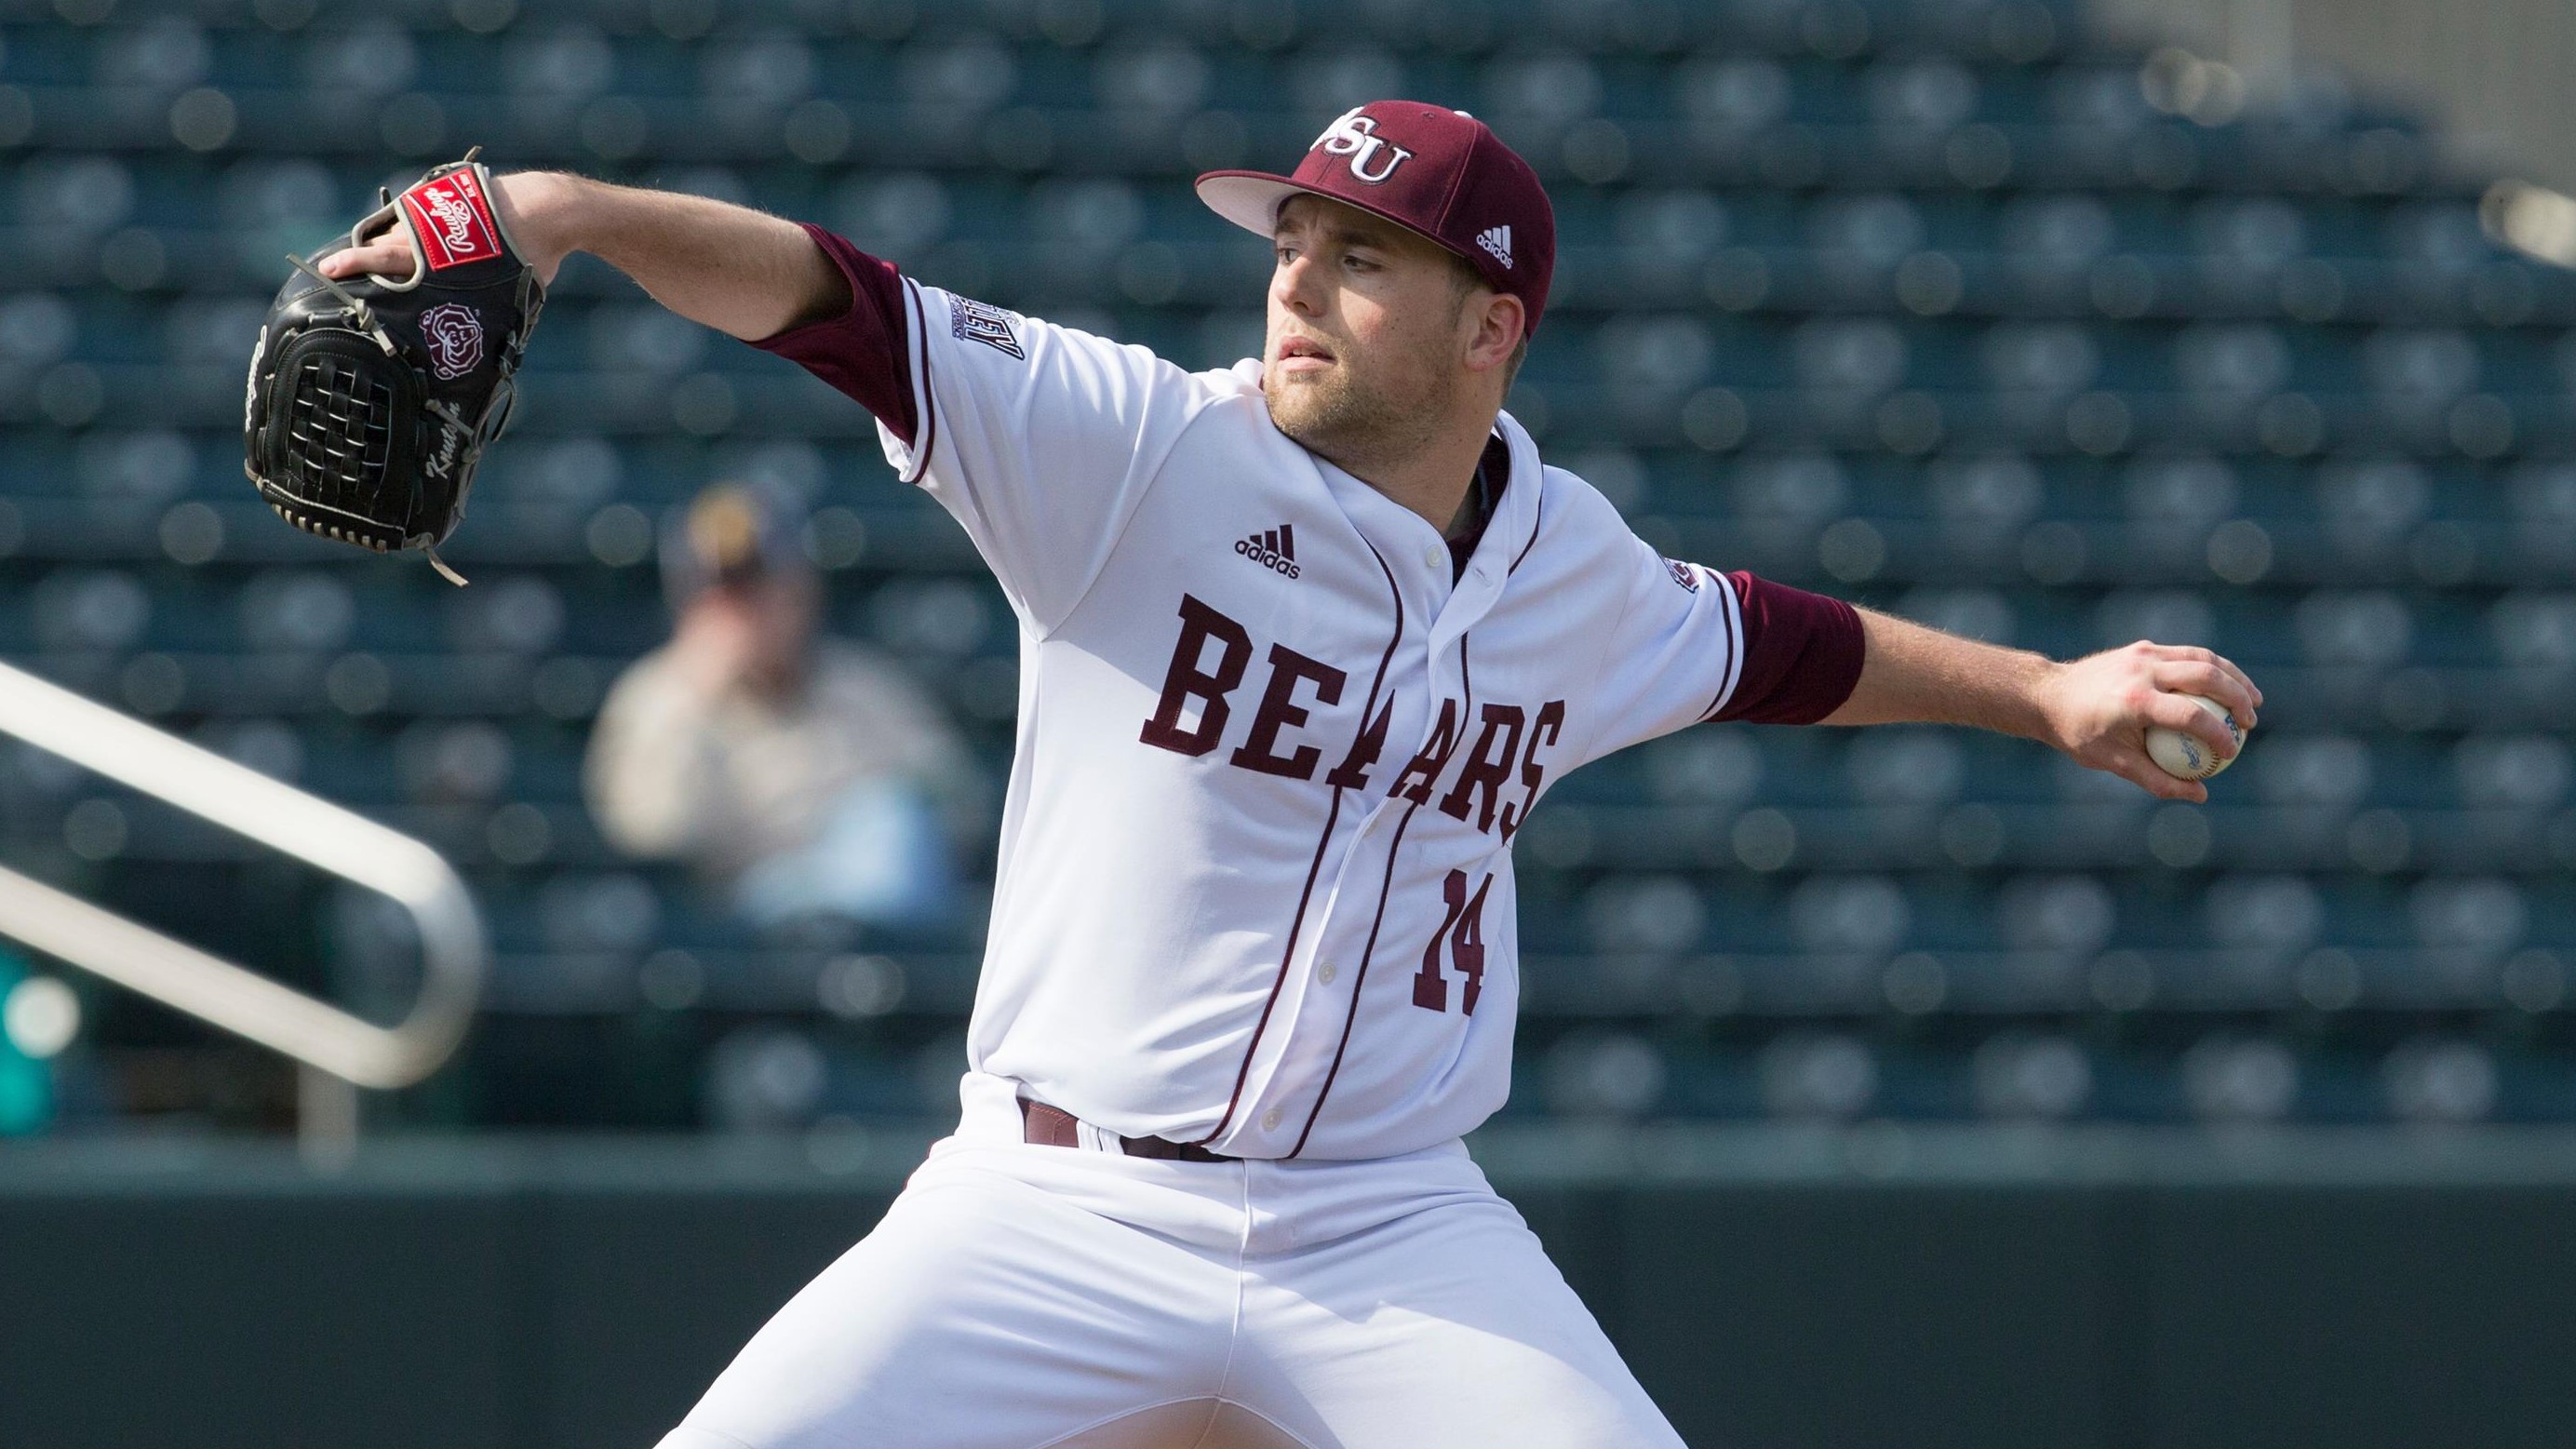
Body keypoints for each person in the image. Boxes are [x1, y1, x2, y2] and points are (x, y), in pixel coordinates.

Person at [328, 101, 2261, 1447]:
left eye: (1362, 258)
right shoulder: (1135, 450)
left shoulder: (1569, 561)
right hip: (1049, 1209)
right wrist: (564, 207)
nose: (1298, 281)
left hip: (1391, 1228)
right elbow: (835, 300)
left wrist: (2040, 694)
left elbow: (1779, 644)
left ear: (1491, 326)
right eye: (1295, 241)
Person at [585, 478, 970, 932]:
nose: (743, 609)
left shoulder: (862, 685)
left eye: (758, 584)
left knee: (890, 819)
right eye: (721, 590)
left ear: (801, 588)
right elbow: (650, 832)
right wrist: (696, 696)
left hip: (880, 911)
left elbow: (958, 807)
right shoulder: (659, 696)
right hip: (736, 926)